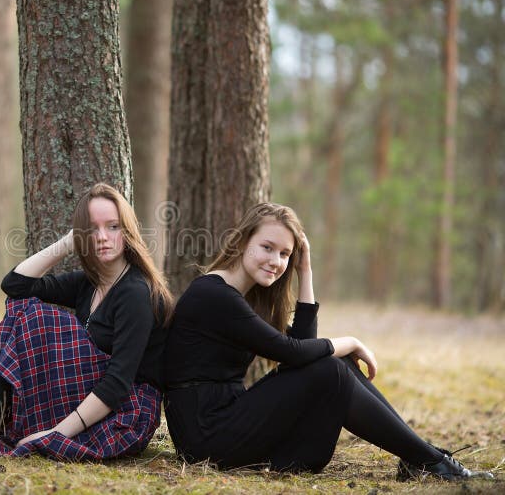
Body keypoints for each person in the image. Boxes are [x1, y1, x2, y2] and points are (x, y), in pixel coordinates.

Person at [163, 202, 494, 481]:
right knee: (332, 367)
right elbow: (291, 353)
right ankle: (429, 460)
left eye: (285, 254)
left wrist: (305, 271)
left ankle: (422, 457)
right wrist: (350, 341)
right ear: (242, 242)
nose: (276, 261)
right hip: (206, 436)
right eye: (267, 247)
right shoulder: (214, 295)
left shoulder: (245, 298)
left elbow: (303, 354)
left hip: (230, 423)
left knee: (335, 363)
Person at [0, 182, 173, 460]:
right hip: (91, 396)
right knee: (21, 307)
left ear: (128, 231)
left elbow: (117, 384)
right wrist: (66, 243)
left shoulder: (135, 293)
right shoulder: (90, 283)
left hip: (126, 411)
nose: (102, 237)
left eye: (113, 227)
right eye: (92, 229)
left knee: (36, 316)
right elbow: (15, 285)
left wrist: (55, 435)